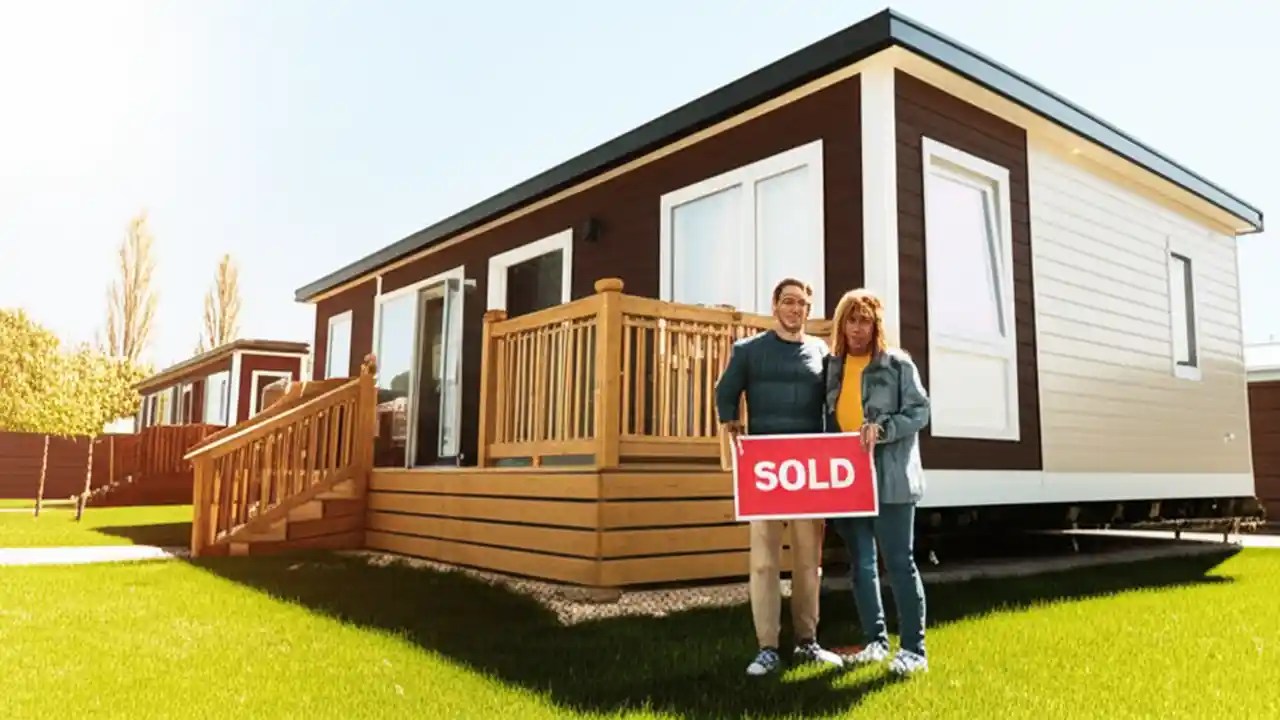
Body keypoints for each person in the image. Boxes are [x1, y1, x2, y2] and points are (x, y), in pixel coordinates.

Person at [715, 277, 844, 677]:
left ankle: (807, 642)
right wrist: (732, 426)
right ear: (775, 306)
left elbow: (833, 403)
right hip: (765, 472)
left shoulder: (820, 351)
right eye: (788, 302)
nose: (795, 310)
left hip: (808, 472)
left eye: (802, 304)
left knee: (809, 562)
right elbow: (725, 392)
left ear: (808, 310)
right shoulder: (748, 351)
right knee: (764, 562)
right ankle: (767, 647)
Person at [823, 288, 931, 676]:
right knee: (861, 566)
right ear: (841, 324)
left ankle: (914, 651)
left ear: (875, 324)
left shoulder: (897, 364)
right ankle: (875, 641)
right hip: (848, 481)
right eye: (850, 319)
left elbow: (920, 411)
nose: (857, 328)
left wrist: (883, 429)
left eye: (864, 320)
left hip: (891, 481)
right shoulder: (832, 366)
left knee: (900, 563)